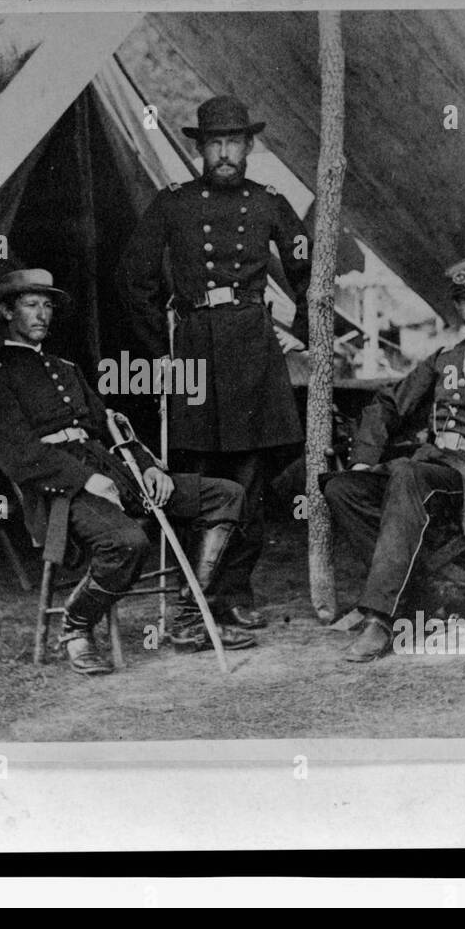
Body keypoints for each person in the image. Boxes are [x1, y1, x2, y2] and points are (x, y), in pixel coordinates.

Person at [0, 269, 259, 677]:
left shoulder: (65, 367)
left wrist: (147, 466)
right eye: (31, 305)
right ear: (6, 312)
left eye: (47, 305)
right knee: (127, 542)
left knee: (226, 495)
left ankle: (191, 619)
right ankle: (76, 627)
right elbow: (18, 455)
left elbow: (111, 425)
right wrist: (84, 479)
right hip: (59, 493)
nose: (42, 315)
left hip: (114, 471)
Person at [118, 95, 310, 631]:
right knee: (197, 472)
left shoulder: (270, 202)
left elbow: (305, 264)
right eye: (214, 144)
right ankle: (193, 590)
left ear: (249, 146)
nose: (224, 153)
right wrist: (163, 353)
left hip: (252, 342)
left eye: (233, 143)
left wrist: (301, 332)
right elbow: (134, 279)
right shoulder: (173, 203)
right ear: (200, 148)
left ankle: (236, 588)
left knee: (250, 476)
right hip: (196, 345)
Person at [320, 255, 465, 662]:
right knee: (342, 487)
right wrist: (362, 458)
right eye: (462, 301)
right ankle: (411, 599)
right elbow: (387, 404)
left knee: (408, 476)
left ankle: (381, 619)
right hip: (430, 471)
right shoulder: (445, 355)